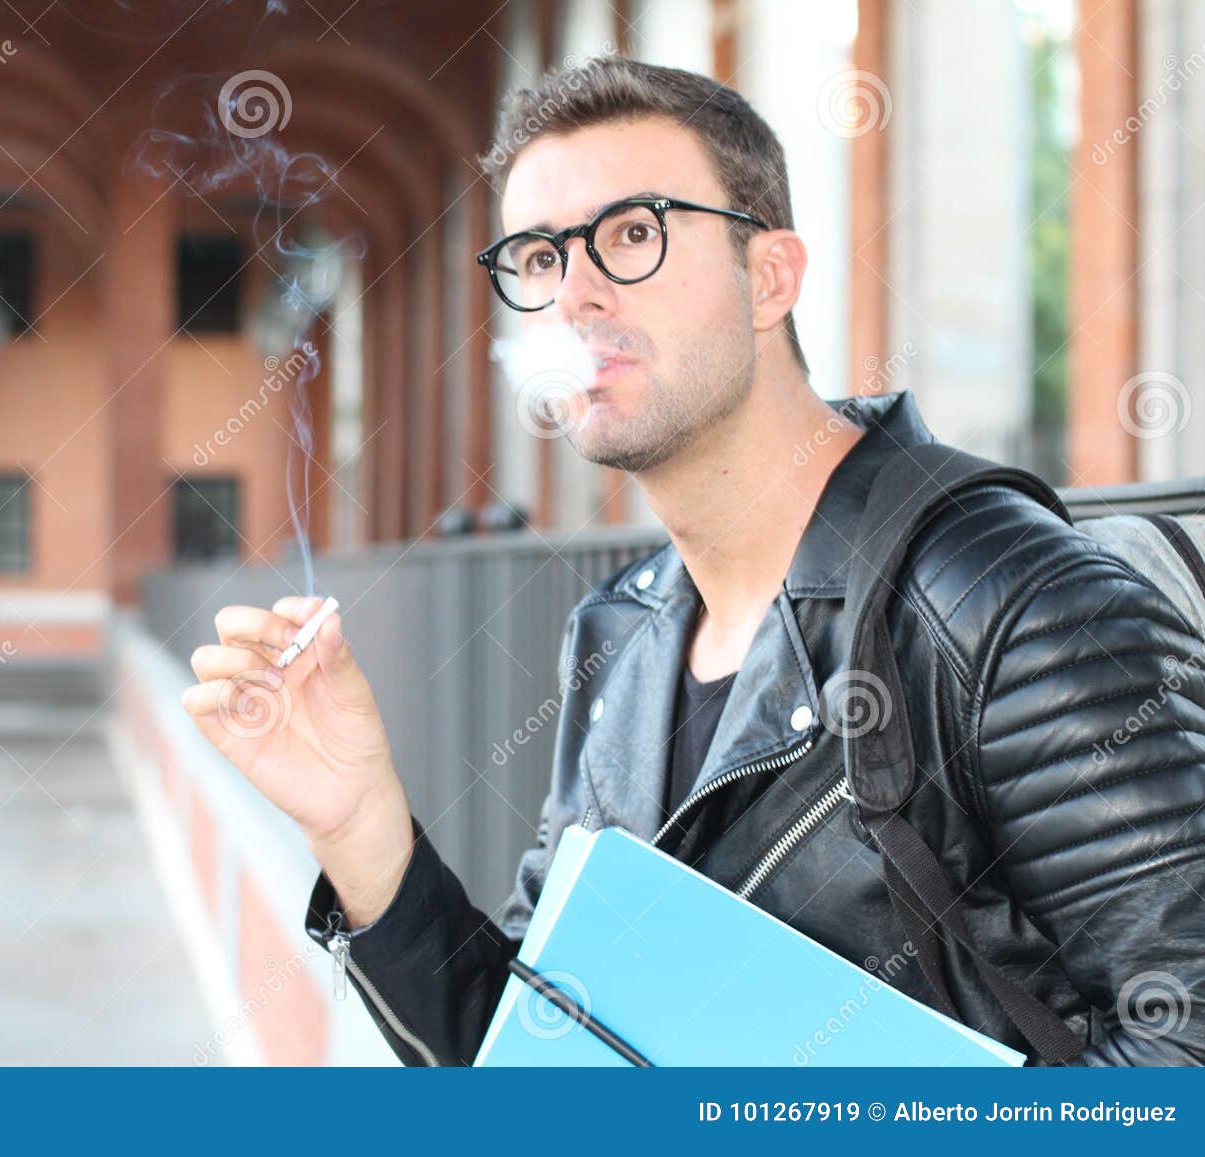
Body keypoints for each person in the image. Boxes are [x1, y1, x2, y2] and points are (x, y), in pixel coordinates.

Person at [181, 57, 1205, 1066]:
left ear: (769, 278)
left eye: (632, 234)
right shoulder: (619, 635)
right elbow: (540, 1050)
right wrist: (358, 822)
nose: (573, 293)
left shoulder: (1002, 597)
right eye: (537, 256)